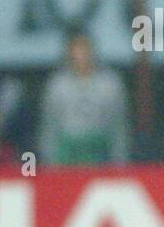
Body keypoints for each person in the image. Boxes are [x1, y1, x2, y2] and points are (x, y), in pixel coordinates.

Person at [38, 28, 130, 165]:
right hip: (66, 151)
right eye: (75, 49)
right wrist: (49, 162)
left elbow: (118, 127)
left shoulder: (110, 84)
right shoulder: (57, 85)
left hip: (100, 151)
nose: (81, 55)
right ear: (68, 53)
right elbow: (49, 127)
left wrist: (120, 162)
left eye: (85, 48)